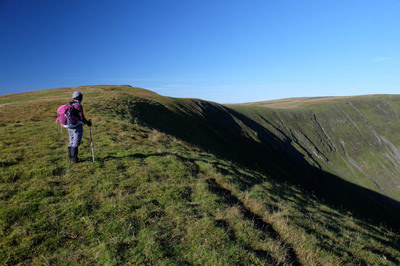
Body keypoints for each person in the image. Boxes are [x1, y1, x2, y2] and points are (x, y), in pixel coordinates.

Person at [68, 91, 92, 163]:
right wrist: (87, 122)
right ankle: (74, 158)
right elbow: (82, 117)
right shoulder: (78, 105)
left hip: (70, 126)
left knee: (71, 140)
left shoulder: (71, 104)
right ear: (80, 98)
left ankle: (70, 156)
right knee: (76, 141)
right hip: (76, 126)